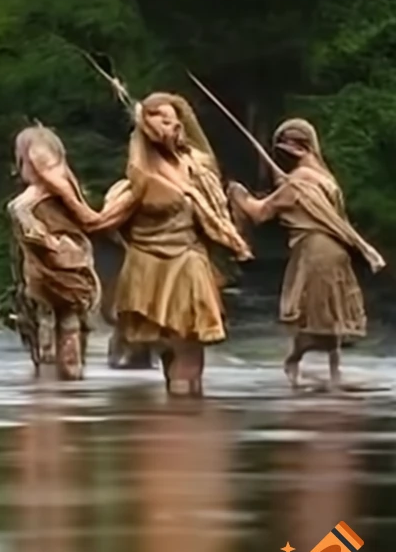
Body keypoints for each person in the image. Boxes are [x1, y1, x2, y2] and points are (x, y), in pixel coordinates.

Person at [44, 94, 252, 395]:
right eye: (164, 120)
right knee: (178, 349)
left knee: (187, 349)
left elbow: (213, 206)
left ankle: (185, 410)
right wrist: (62, 189)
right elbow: (97, 223)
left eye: (175, 119)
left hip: (187, 264)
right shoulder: (139, 181)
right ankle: (182, 414)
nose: (174, 125)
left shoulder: (196, 168)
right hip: (152, 269)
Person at [229, 118, 384, 389]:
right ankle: (334, 372)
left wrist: (238, 193)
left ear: (297, 149)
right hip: (337, 251)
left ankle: (294, 359)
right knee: (332, 314)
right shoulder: (326, 178)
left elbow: (260, 213)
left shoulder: (297, 183)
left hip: (315, 252)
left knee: (316, 316)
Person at [5, 124, 100, 378]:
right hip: (40, 276)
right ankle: (59, 382)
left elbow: (84, 227)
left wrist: (52, 244)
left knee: (65, 326)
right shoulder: (27, 201)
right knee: (47, 328)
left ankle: (65, 380)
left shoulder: (57, 196)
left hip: (67, 275)